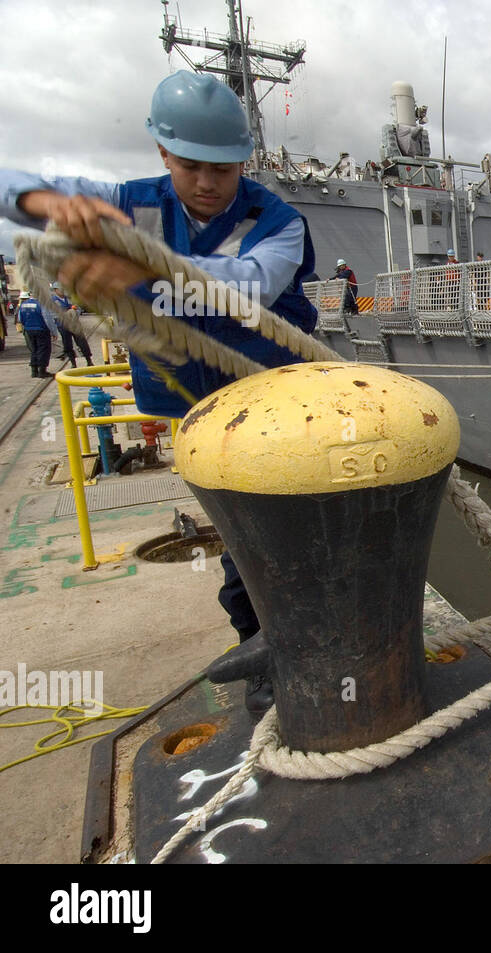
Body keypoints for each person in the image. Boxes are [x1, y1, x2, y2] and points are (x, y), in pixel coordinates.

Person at [0, 71, 317, 713]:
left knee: (286, 527)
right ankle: (264, 648)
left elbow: (248, 285)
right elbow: (10, 189)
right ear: (163, 154)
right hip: (198, 411)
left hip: (274, 402)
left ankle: (295, 643)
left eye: (223, 169)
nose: (206, 182)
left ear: (242, 164)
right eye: (191, 165)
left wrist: (137, 267)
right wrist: (48, 206)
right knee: (240, 536)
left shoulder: (278, 222)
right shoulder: (130, 202)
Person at [16, 291, 59, 378]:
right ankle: (42, 371)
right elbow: (48, 320)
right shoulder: (41, 304)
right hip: (41, 330)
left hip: (29, 330)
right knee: (43, 350)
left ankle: (34, 371)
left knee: (34, 349)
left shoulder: (23, 304)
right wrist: (54, 332)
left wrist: (27, 326)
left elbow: (20, 319)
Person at [50, 282, 93, 366]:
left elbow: (78, 308)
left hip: (74, 324)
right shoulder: (52, 301)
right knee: (67, 344)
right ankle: (73, 362)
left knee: (82, 342)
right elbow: (53, 314)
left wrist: (74, 312)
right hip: (63, 325)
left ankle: (89, 360)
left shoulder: (69, 299)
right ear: (55, 290)